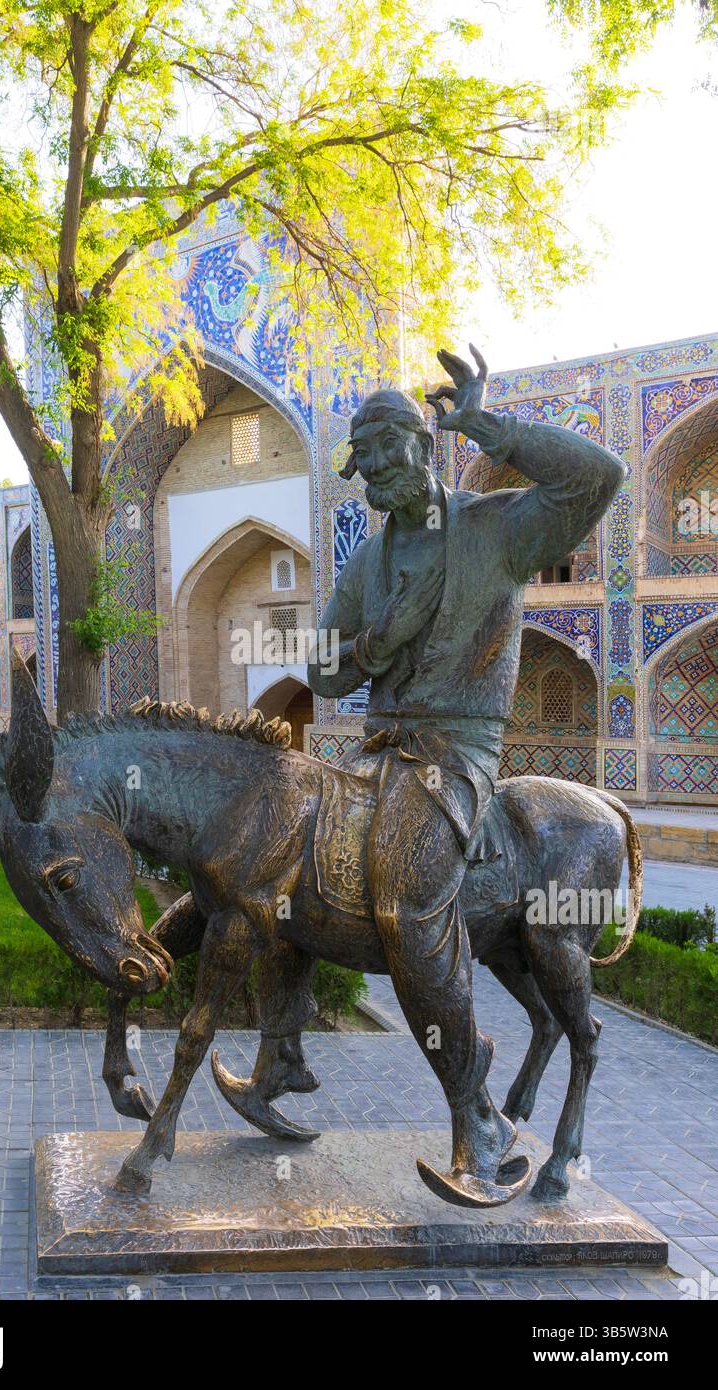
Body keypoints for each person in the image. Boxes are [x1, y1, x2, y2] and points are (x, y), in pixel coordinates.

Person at [308, 345, 624, 1203]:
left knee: (407, 900)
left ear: (425, 444)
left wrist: (490, 423)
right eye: (362, 464)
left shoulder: (495, 529)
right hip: (377, 750)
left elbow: (600, 476)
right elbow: (323, 669)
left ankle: (475, 1107)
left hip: (455, 755)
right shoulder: (368, 559)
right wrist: (385, 639)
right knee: (276, 860)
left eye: (387, 455)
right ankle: (275, 1055)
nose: (374, 476)